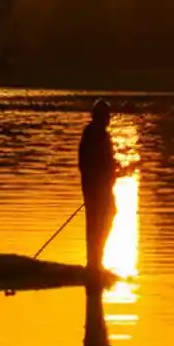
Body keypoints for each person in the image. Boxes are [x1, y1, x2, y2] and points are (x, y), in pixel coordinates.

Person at [78, 99, 117, 271]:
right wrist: (98, 179)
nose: (109, 119)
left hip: (103, 186)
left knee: (106, 217)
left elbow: (108, 162)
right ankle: (93, 262)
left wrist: (115, 170)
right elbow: (85, 162)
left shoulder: (103, 134)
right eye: (106, 115)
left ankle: (96, 260)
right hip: (94, 187)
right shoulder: (92, 133)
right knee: (95, 222)